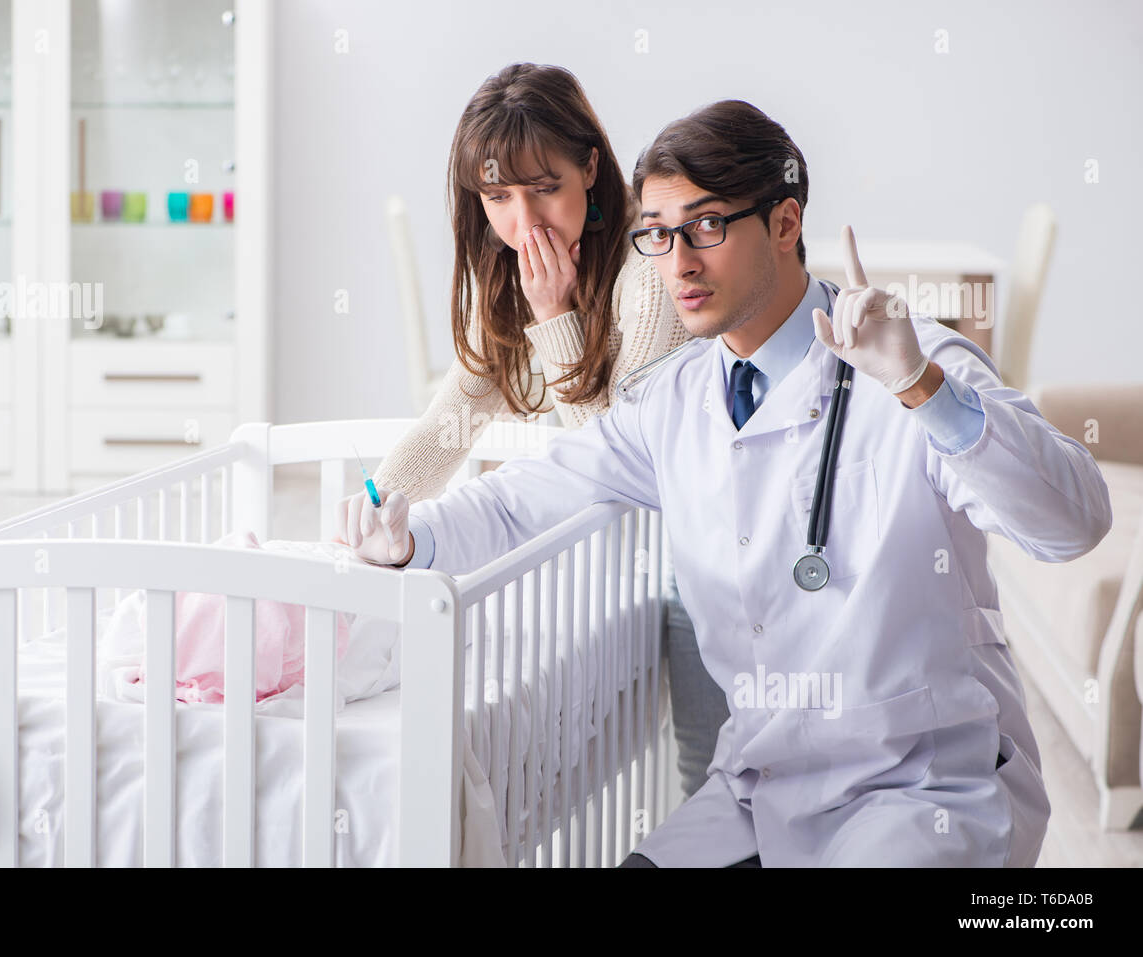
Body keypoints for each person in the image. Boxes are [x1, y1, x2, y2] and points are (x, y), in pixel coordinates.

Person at [339, 99, 1111, 867]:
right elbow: (525, 497)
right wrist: (414, 538)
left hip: (922, 784)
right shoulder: (673, 398)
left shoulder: (915, 364)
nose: (678, 262)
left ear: (784, 223)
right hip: (760, 787)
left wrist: (920, 387)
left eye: (706, 226)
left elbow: (1073, 522)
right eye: (658, 232)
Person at [342, 62, 726, 802]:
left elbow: (618, 459)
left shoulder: (649, 274)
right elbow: (447, 427)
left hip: (694, 540)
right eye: (498, 198)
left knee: (707, 768)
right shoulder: (511, 273)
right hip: (620, 550)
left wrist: (555, 317)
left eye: (545, 188)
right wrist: (372, 516)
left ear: (590, 169)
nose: (525, 223)